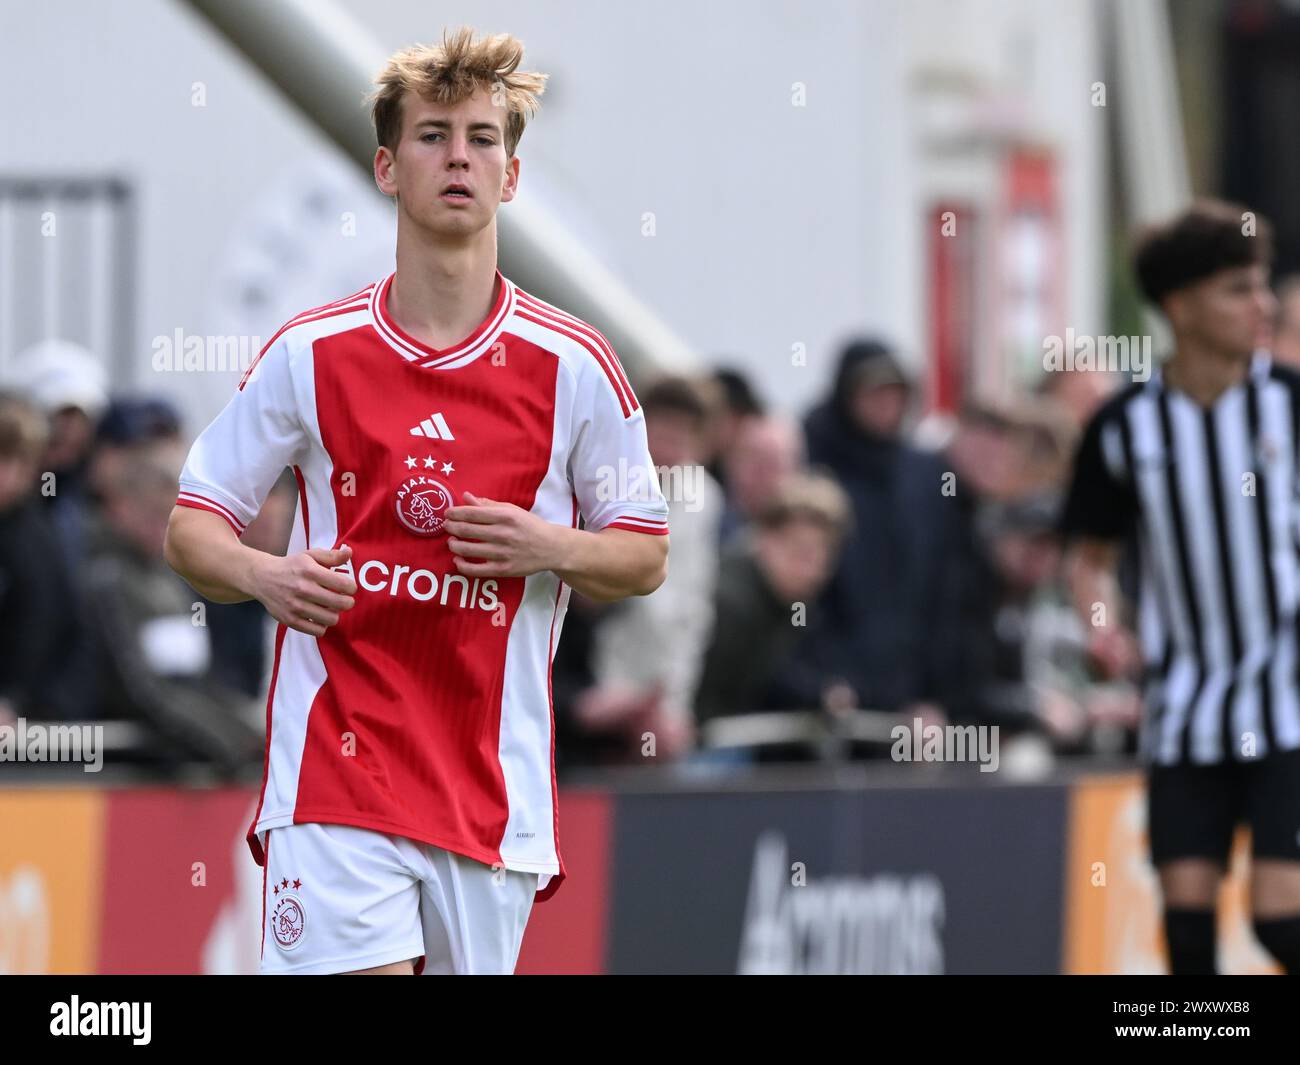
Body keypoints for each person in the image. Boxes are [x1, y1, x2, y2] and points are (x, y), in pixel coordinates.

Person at [164, 28, 669, 976]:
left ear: (512, 176)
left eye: (483, 139)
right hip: (335, 778)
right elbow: (193, 524)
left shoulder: (576, 368)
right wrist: (265, 575)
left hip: (488, 792)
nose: (460, 158)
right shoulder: (312, 353)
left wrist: (547, 545)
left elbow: (643, 552)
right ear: (388, 168)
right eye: (434, 137)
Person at [1061, 199, 1300, 974]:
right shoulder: (1125, 427)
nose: (1262, 305)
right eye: (1239, 288)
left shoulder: (1290, 405)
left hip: (1291, 702)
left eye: (1262, 286)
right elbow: (1089, 560)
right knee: (1188, 940)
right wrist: (1102, 624)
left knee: (1278, 922)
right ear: (1180, 305)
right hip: (1185, 707)